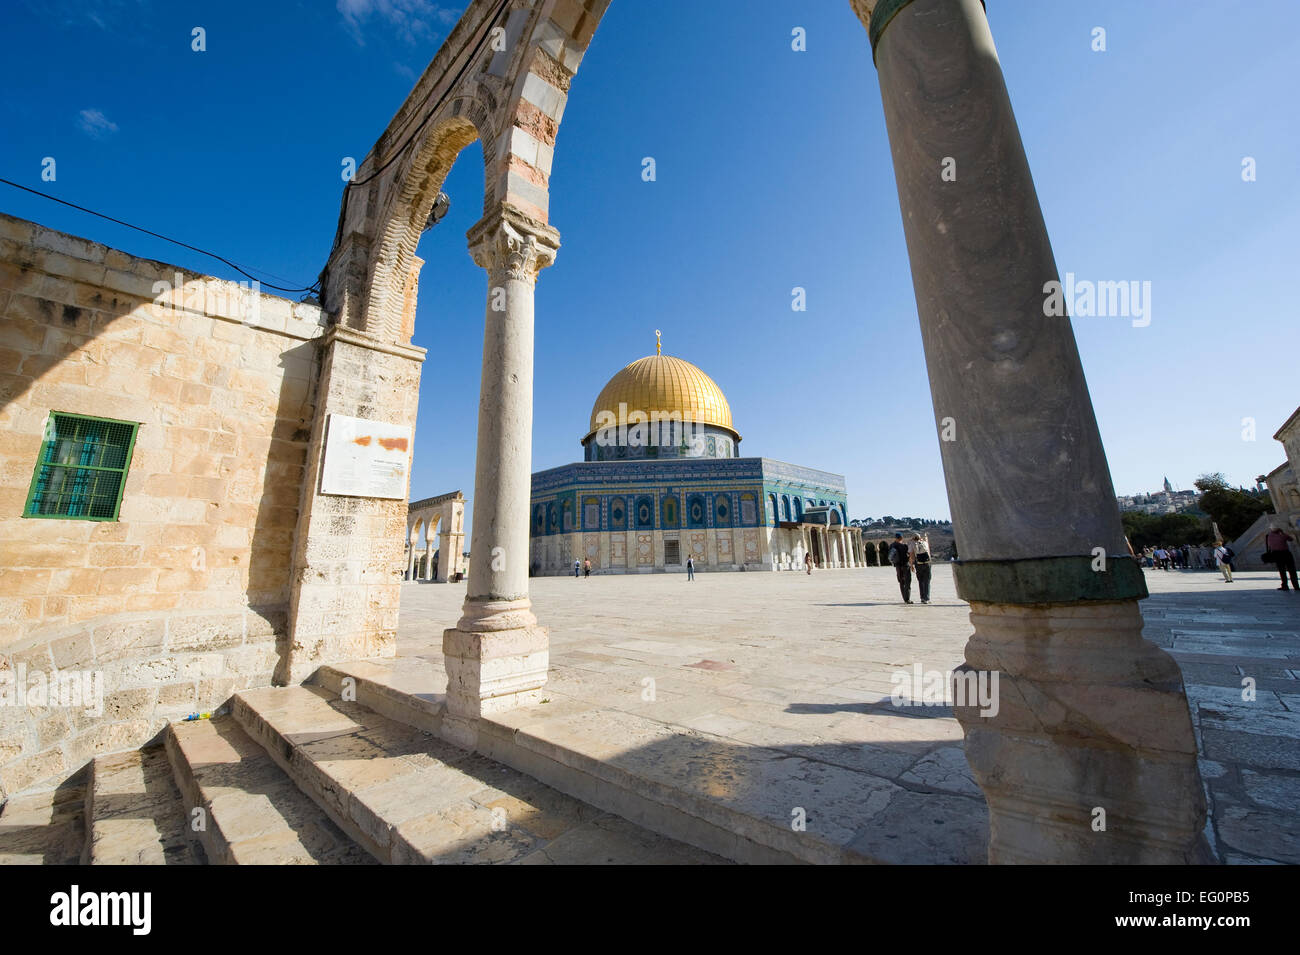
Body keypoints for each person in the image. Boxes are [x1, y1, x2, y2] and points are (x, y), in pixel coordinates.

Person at [1263, 525, 1298, 591]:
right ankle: (1296, 586)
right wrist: (1283, 533)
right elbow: (1291, 539)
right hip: (1286, 553)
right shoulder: (1282, 535)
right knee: (1292, 570)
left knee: (1282, 571)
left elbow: (1269, 546)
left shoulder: (1269, 535)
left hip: (1277, 554)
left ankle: (1285, 586)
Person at [888, 532, 912, 603]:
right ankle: (907, 598)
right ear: (901, 538)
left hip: (897, 566)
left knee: (901, 582)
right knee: (907, 581)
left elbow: (890, 556)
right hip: (905, 565)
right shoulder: (904, 546)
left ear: (895, 538)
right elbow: (909, 554)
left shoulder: (892, 545)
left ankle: (905, 598)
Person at [909, 533, 932, 604]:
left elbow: (911, 555)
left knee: (920, 581)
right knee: (927, 581)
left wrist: (911, 565)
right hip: (927, 563)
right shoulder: (924, 542)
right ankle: (927, 598)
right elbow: (928, 552)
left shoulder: (912, 544)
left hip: (918, 564)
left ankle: (922, 598)